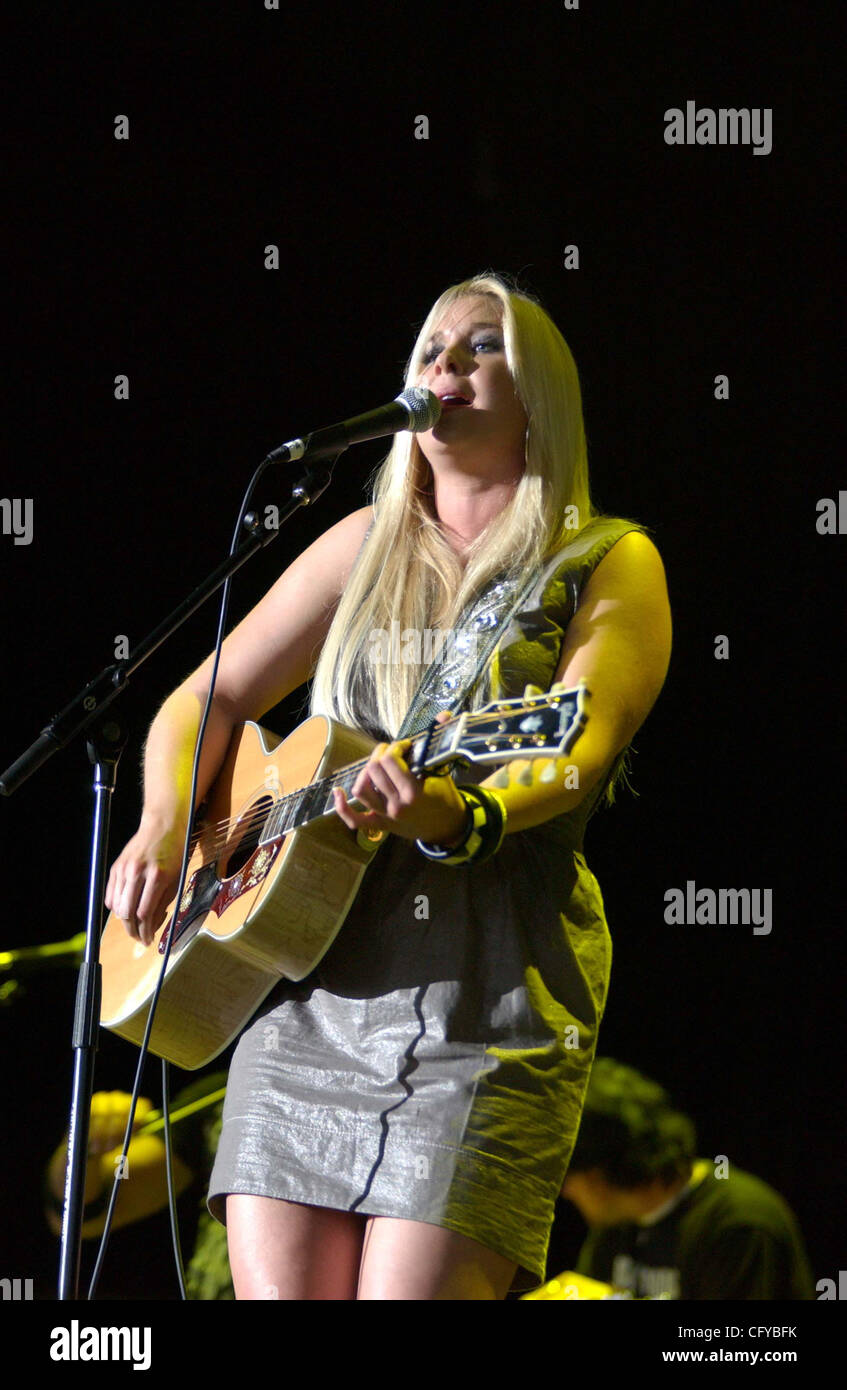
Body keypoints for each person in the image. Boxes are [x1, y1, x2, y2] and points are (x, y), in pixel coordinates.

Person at [105, 272, 672, 1300]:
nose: (444, 366)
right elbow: (200, 702)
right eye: (429, 349)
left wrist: (459, 811)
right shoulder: (360, 547)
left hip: (484, 1006)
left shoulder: (604, 559)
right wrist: (158, 823)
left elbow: (572, 746)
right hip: (306, 993)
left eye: (480, 347)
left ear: (540, 393)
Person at [557, 1058, 814, 1299]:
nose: (565, 1192)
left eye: (568, 1176)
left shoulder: (740, 1223)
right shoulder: (616, 1221)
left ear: (600, 1173)